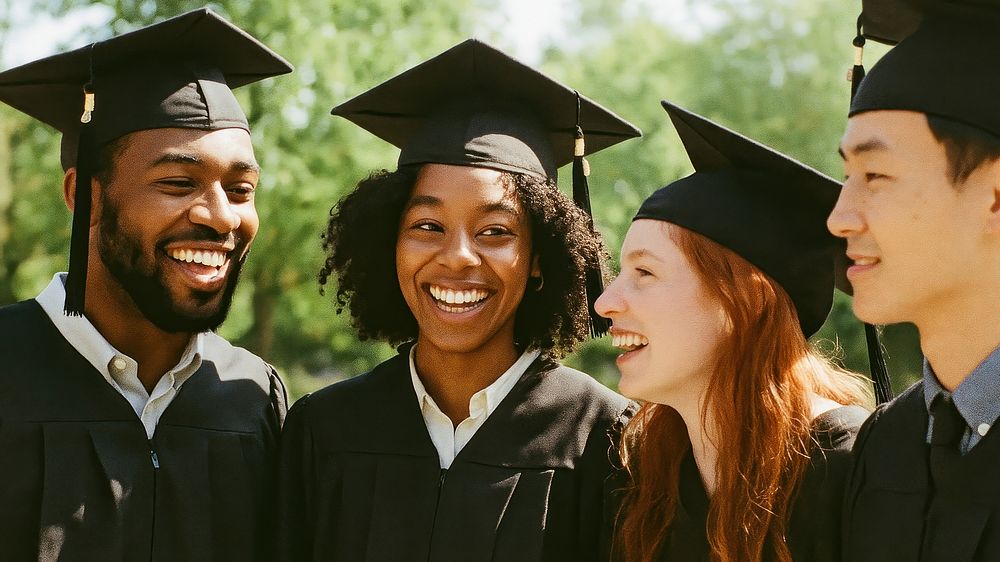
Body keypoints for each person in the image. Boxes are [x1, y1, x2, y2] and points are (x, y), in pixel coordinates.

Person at [275, 39, 639, 562]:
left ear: (540, 256)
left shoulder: (605, 438)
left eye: (495, 231)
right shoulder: (324, 429)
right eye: (427, 226)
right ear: (390, 242)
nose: (458, 257)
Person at [0, 9, 291, 561]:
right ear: (82, 195)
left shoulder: (253, 398)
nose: (222, 217)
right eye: (179, 182)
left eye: (242, 188)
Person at [599, 101, 871, 562]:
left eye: (644, 273)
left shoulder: (848, 466)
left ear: (740, 304)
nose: (605, 303)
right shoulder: (653, 473)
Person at [829, 3, 1000, 560]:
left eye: (875, 175)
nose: (838, 218)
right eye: (845, 176)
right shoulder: (885, 443)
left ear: (995, 197)